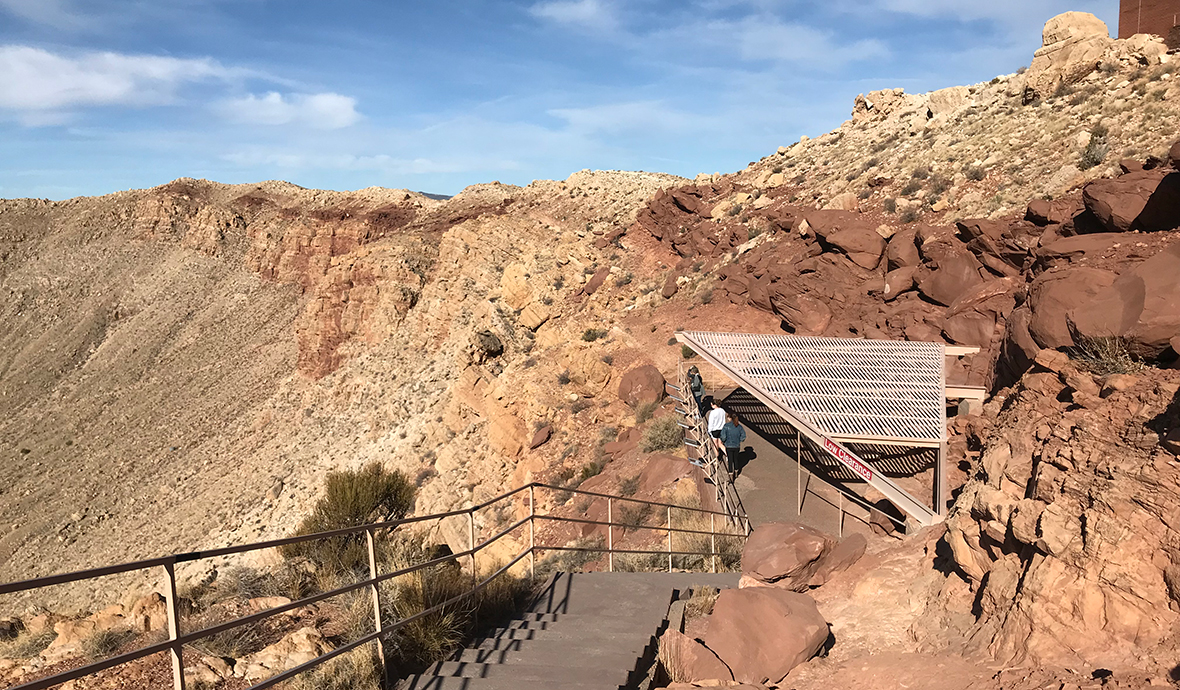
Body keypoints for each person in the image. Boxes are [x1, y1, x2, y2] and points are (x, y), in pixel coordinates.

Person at [720, 412, 747, 478]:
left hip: (728, 445)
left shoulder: (726, 426)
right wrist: (739, 440)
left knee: (730, 460)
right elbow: (743, 436)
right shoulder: (739, 427)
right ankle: (736, 470)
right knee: (736, 459)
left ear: (730, 418)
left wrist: (723, 441)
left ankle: (730, 473)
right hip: (736, 446)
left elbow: (723, 436)